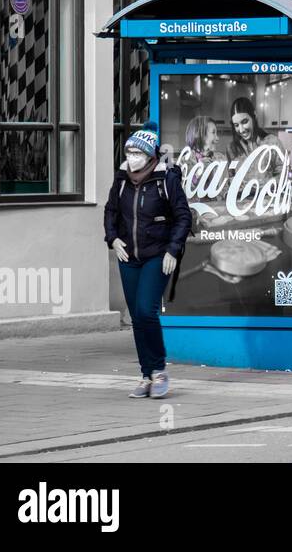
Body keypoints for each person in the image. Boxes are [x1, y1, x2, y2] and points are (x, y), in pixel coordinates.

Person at [103, 121, 190, 399]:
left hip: (157, 254)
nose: (132, 158)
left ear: (150, 155)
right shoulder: (121, 179)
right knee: (136, 318)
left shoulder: (167, 179)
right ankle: (145, 374)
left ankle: (159, 371)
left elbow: (183, 217)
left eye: (137, 153)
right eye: (128, 153)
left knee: (145, 311)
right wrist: (112, 238)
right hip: (128, 255)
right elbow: (110, 211)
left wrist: (173, 250)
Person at [227, 96, 271, 161]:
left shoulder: (272, 142)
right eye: (236, 125)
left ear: (255, 116)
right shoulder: (231, 149)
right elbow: (230, 171)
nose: (241, 130)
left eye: (244, 122)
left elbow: (283, 169)